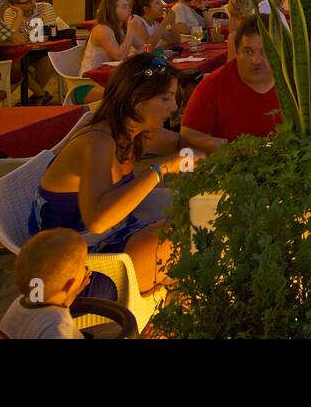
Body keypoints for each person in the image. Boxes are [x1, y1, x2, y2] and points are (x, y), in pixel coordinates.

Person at [29, 53, 204, 295]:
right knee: (196, 236)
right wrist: (160, 170)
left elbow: (182, 144)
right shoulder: (98, 142)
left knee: (202, 219)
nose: (174, 107)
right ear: (136, 99)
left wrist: (230, 147)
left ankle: (175, 301)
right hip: (76, 272)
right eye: (166, 98)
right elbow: (97, 221)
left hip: (115, 239)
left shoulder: (132, 130)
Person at [181, 15, 281, 153]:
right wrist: (229, 148)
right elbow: (187, 138)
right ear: (236, 52)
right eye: (248, 51)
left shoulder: (295, 83)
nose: (256, 60)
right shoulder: (212, 86)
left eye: (265, 52)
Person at [0, 228, 90, 340]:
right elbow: (51, 322)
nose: (85, 268)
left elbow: (44, 312)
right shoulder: (59, 326)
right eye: (83, 265)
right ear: (70, 284)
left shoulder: (24, 301)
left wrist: (71, 294)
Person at [3, 0, 66, 102]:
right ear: (15, 6)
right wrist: (19, 15)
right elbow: (11, 36)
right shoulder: (10, 12)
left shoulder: (45, 7)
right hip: (20, 52)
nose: (33, 3)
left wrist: (23, 37)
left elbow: (49, 32)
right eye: (27, 2)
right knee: (15, 66)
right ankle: (41, 94)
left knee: (49, 62)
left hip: (42, 49)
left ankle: (37, 96)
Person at [81, 0, 138, 77]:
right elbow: (119, 56)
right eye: (124, 7)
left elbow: (142, 45)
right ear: (112, 11)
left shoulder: (121, 28)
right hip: (91, 78)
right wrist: (130, 30)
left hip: (110, 75)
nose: (130, 10)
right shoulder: (102, 29)